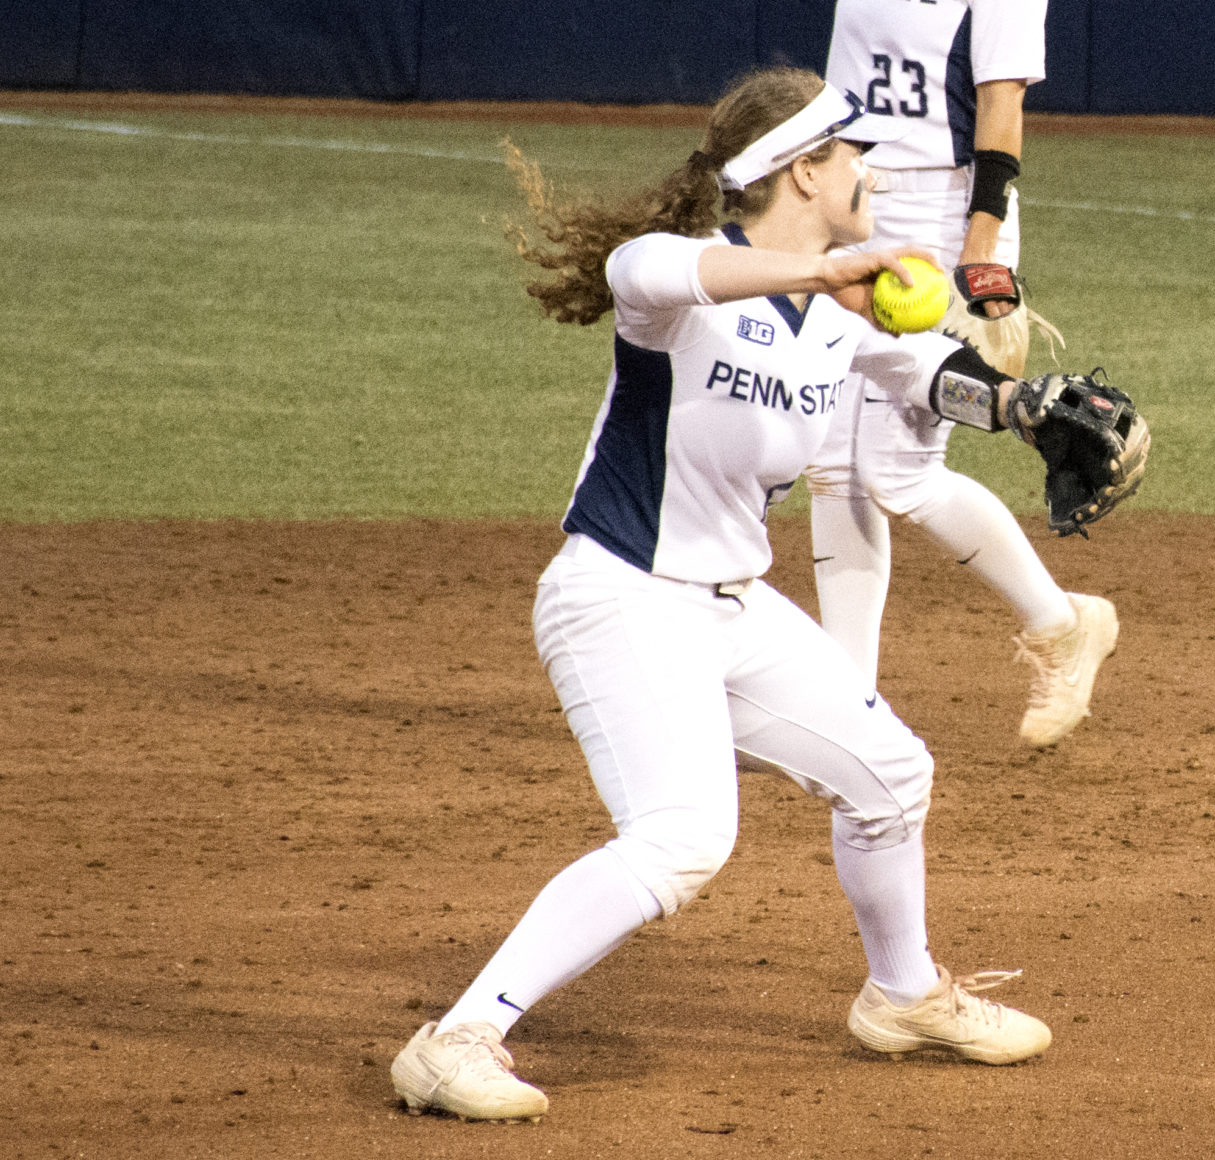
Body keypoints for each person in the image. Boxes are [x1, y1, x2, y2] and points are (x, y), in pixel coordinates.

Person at [388, 68, 1053, 1122]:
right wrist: (821, 266)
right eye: (852, 152)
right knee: (684, 833)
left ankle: (903, 992)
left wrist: (1026, 406)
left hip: (728, 606)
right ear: (801, 170)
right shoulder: (679, 288)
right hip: (618, 592)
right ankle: (457, 1036)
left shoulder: (839, 313)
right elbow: (640, 265)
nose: (871, 168)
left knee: (891, 775)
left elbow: (925, 371)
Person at [808, 0, 1119, 748]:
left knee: (897, 472)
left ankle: (1061, 624)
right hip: (861, 203)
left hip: (948, 218)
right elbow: (840, 103)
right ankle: (846, 705)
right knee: (830, 462)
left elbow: (1000, 107)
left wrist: (978, 251)